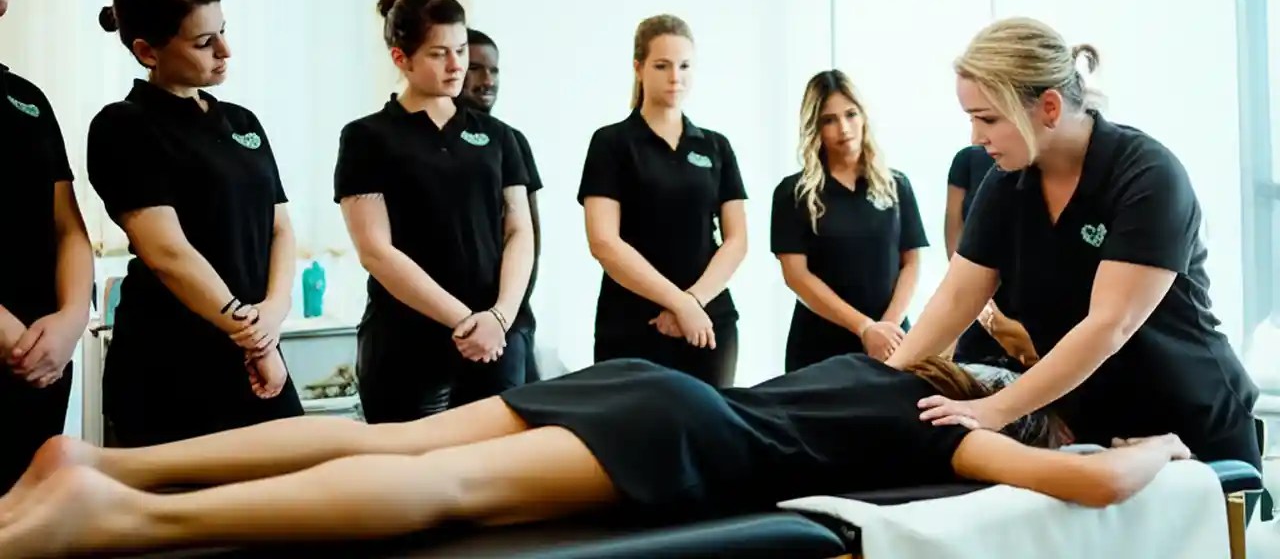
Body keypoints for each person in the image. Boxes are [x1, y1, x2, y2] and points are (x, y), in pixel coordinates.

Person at [0, 353, 1193, 558]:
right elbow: (1092, 482)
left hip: (644, 383)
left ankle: (112, 466)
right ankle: (124, 522)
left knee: (389, 437)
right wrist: (1161, 447)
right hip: (682, 434)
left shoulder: (886, 367)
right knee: (435, 489)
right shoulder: (958, 432)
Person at [887, 17, 1261, 476]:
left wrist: (992, 411)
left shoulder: (1147, 175)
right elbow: (956, 298)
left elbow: (1109, 324)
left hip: (1192, 422)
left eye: (988, 119)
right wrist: (885, 381)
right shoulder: (1006, 186)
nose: (975, 138)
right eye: (971, 119)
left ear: (1049, 107)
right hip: (1095, 426)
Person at [86, 0, 304, 447]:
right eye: (205, 42)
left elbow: (280, 229)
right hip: (173, 360)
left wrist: (274, 312)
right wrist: (253, 335)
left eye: (223, 32)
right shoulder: (124, 126)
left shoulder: (243, 122)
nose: (225, 51)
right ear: (148, 51)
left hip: (254, 339)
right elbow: (168, 252)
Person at [335, 0, 535, 423]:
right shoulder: (367, 137)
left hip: (495, 336)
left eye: (460, 50)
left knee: (494, 462)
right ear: (401, 58)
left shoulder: (499, 136)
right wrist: (465, 321)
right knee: (408, 463)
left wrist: (500, 317)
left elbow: (520, 231)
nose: (456, 65)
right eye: (438, 53)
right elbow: (376, 250)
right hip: (406, 342)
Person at [579, 14, 747, 387]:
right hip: (631, 323)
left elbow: (737, 241)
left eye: (684, 66)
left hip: (708, 321)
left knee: (710, 422)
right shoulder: (611, 143)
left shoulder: (716, 146)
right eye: (662, 65)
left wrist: (694, 302)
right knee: (633, 424)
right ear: (638, 67)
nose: (675, 77)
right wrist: (678, 303)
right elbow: (603, 242)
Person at [0, 0, 95, 492]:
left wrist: (71, 319)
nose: (0, 4)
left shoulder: (26, 100)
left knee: (32, 510)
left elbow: (68, 226)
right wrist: (12, 339)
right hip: (21, 349)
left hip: (40, 360)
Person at [771, 70, 927, 369]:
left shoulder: (896, 185)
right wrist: (864, 328)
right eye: (829, 120)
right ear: (815, 127)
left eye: (851, 114)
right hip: (819, 345)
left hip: (891, 341)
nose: (843, 128)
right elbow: (796, 275)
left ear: (863, 116)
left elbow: (911, 262)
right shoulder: (793, 192)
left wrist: (887, 327)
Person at [459, 28, 543, 382]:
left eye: (494, 70)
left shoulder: (510, 140)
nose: (487, 80)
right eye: (475, 68)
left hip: (507, 321)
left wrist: (506, 314)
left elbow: (529, 236)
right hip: (447, 321)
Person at [944, 144, 1037, 370]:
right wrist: (985, 312)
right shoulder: (969, 160)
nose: (978, 135)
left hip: (1033, 305)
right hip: (979, 301)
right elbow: (957, 243)